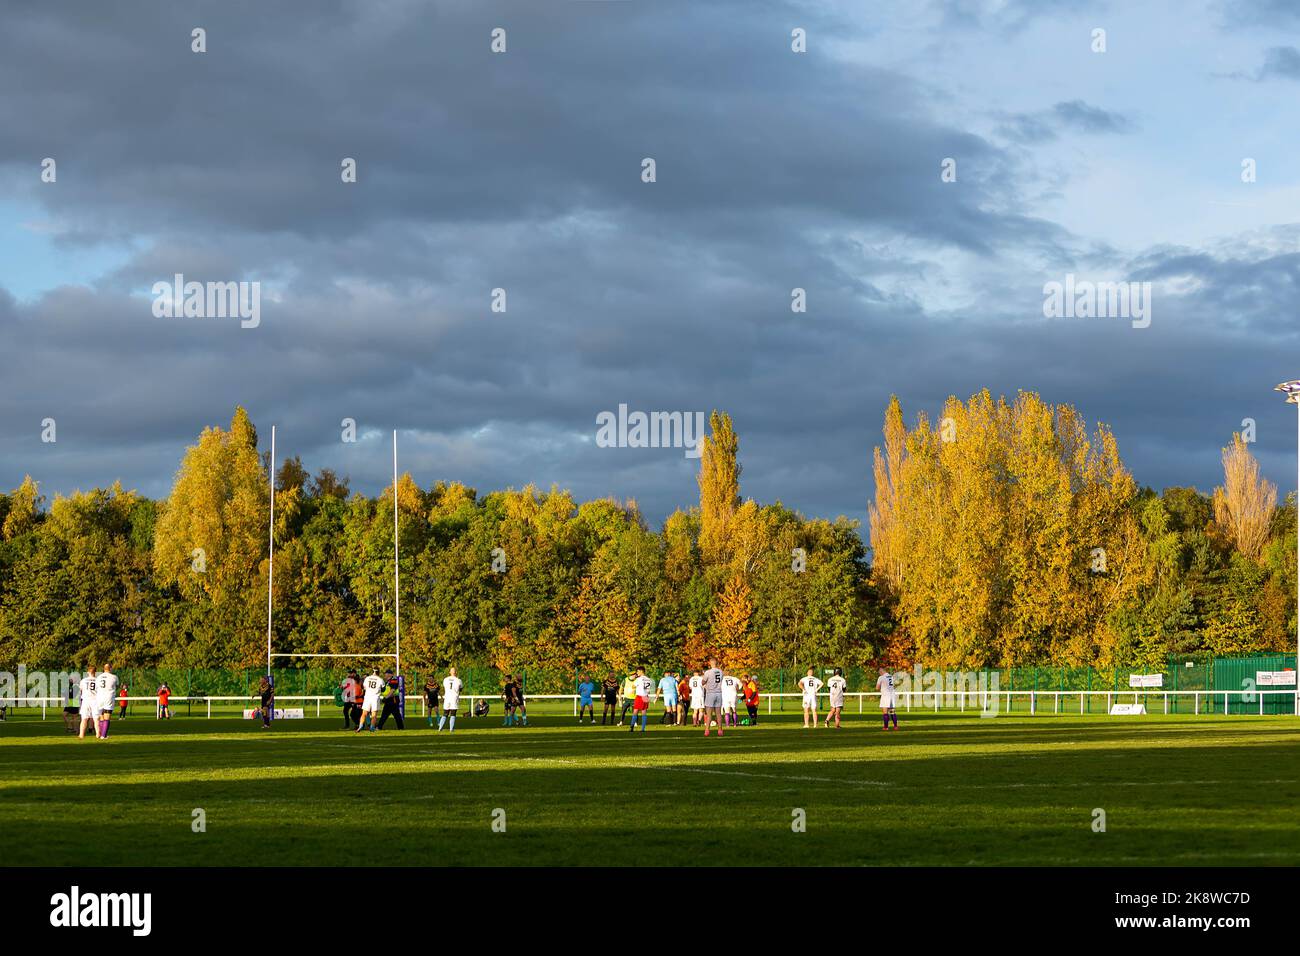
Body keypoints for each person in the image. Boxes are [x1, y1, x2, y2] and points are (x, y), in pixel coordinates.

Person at [701, 658, 725, 738]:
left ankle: (707, 730)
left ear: (710, 663)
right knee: (718, 713)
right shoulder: (721, 672)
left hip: (710, 693)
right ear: (717, 663)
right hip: (719, 693)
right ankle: (720, 730)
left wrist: (706, 682)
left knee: (709, 713)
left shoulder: (708, 672)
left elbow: (703, 682)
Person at [356, 668, 384, 733]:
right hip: (375, 698)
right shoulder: (380, 679)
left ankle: (360, 726)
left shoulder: (367, 678)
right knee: (374, 714)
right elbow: (383, 689)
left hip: (367, 697)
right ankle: (372, 728)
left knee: (364, 713)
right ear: (378, 672)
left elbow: (364, 687)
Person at [96, 664, 119, 739]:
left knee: (101, 716)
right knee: (107, 716)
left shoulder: (98, 677)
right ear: (111, 669)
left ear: (104, 669)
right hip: (108, 697)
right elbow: (117, 686)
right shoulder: (114, 677)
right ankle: (103, 735)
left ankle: (102, 734)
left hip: (99, 697)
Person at [629, 666, 655, 733]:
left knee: (635, 711)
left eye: (637, 671)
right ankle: (643, 728)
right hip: (645, 696)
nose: (637, 673)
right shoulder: (649, 679)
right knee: (644, 712)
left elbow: (633, 686)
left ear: (641, 671)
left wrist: (634, 679)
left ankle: (631, 726)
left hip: (640, 696)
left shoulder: (639, 679)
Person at [437, 668, 462, 732]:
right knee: (453, 714)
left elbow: (445, 687)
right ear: (456, 672)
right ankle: (451, 729)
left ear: (450, 672)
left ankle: (440, 728)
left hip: (447, 698)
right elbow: (461, 689)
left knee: (445, 713)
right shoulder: (458, 680)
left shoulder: (445, 679)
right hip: (454, 698)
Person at [77, 667, 98, 739]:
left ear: (88, 672)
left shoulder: (83, 680)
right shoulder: (97, 680)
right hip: (95, 700)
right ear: (95, 672)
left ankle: (81, 735)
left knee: (84, 719)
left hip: (86, 700)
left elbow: (81, 690)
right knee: (96, 719)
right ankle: (98, 734)